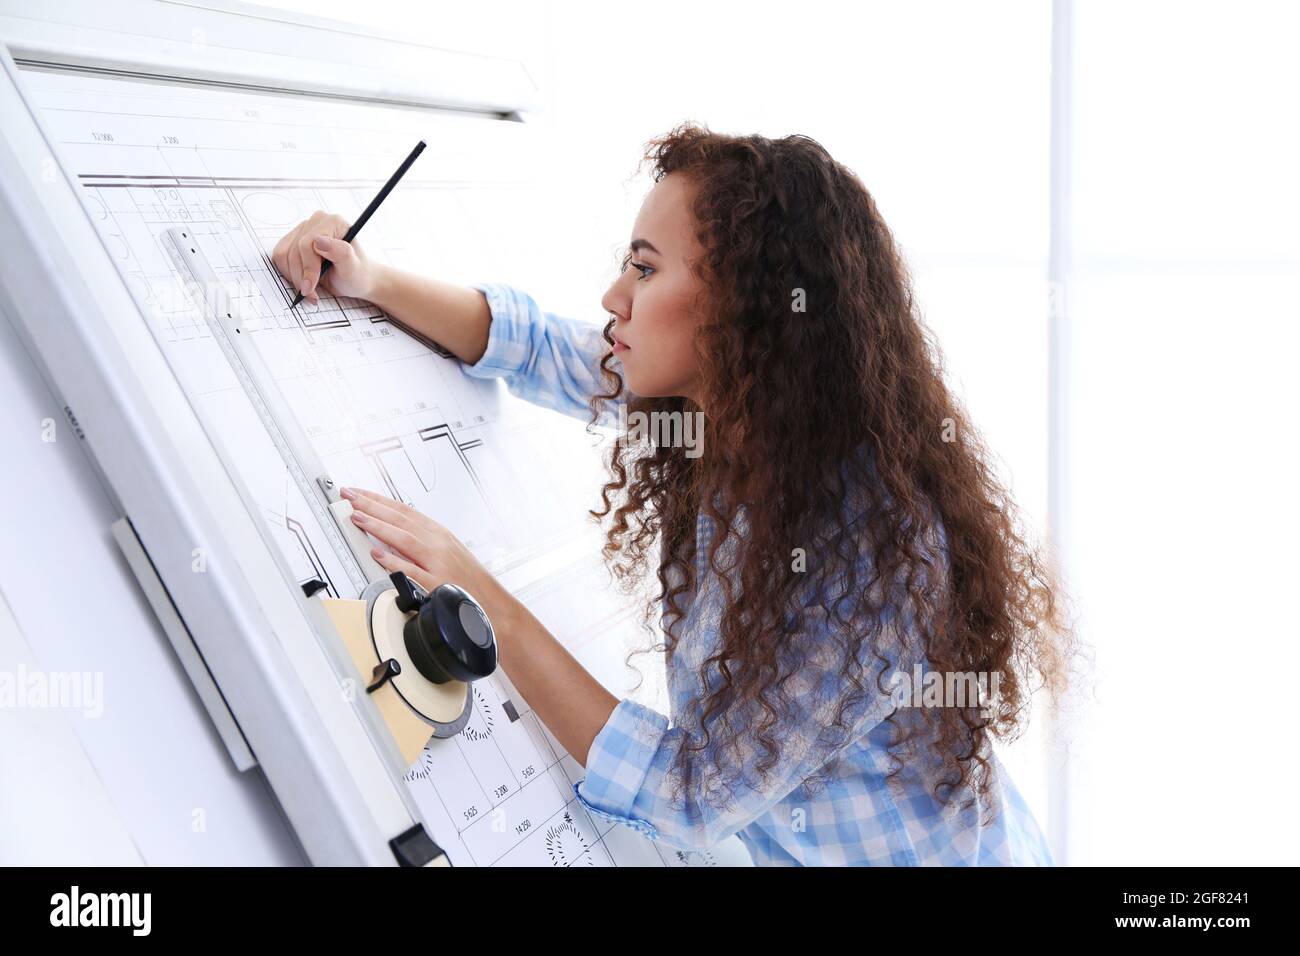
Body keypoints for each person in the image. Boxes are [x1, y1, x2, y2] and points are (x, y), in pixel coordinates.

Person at [272, 123, 1073, 866]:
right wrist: (371, 279)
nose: (615, 296)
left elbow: (691, 793)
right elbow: (546, 349)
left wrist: (479, 594)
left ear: (743, 307)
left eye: (646, 269)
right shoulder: (727, 409)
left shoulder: (864, 557)